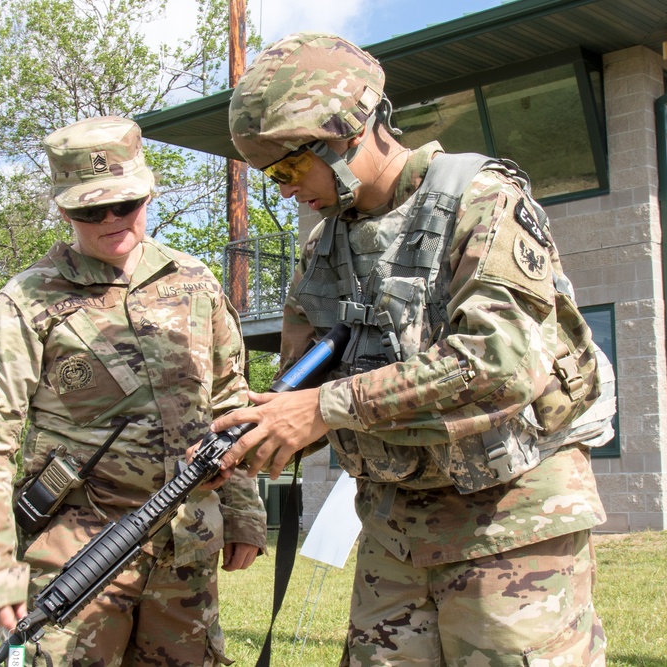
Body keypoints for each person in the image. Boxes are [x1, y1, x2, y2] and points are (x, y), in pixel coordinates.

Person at [210, 32, 610, 666]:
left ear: (349, 131)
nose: (285, 190)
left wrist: (326, 409)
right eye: (271, 175)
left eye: (290, 167)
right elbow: (303, 393)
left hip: (510, 528)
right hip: (394, 538)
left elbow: (500, 362)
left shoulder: (482, 198)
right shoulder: (323, 250)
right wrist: (256, 435)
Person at [0, 115, 266, 667]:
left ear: (149, 193)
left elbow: (229, 403)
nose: (112, 220)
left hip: (186, 547)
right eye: (90, 210)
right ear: (63, 209)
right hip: (81, 553)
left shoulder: (195, 282)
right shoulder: (27, 301)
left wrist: (243, 512)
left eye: (127, 204)